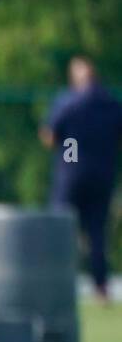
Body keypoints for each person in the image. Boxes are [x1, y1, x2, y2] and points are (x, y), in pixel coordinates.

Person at [39, 56, 122, 306]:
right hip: (103, 175)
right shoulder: (113, 105)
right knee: (97, 232)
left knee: (60, 227)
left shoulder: (68, 102)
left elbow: (49, 136)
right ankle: (101, 288)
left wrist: (70, 148)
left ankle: (54, 282)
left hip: (71, 174)